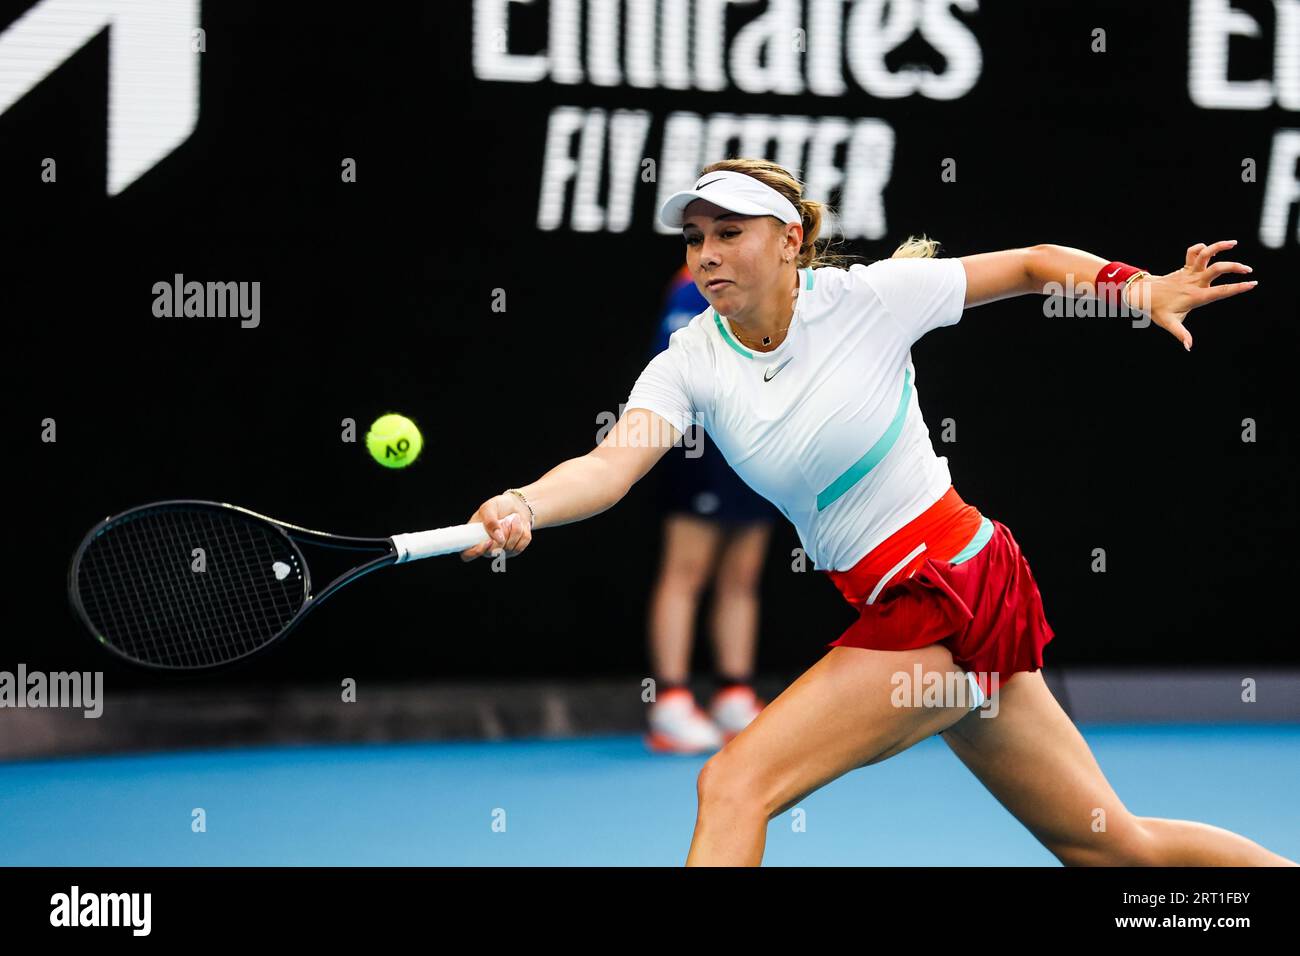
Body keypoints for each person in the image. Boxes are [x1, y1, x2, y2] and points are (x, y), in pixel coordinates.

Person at [460, 158, 1293, 866]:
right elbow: (611, 466)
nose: (707, 255)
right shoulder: (689, 362)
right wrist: (526, 502)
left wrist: (1138, 288)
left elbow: (1036, 264)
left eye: (729, 233)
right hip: (921, 599)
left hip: (948, 588)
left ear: (791, 240)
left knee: (733, 783)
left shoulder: (868, 299)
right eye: (696, 238)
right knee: (1116, 849)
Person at [644, 266, 775, 754]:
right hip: (700, 449)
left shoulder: (774, 285)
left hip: (757, 446)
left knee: (742, 576)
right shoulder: (688, 286)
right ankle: (671, 702)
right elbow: (673, 370)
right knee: (686, 572)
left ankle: (733, 694)